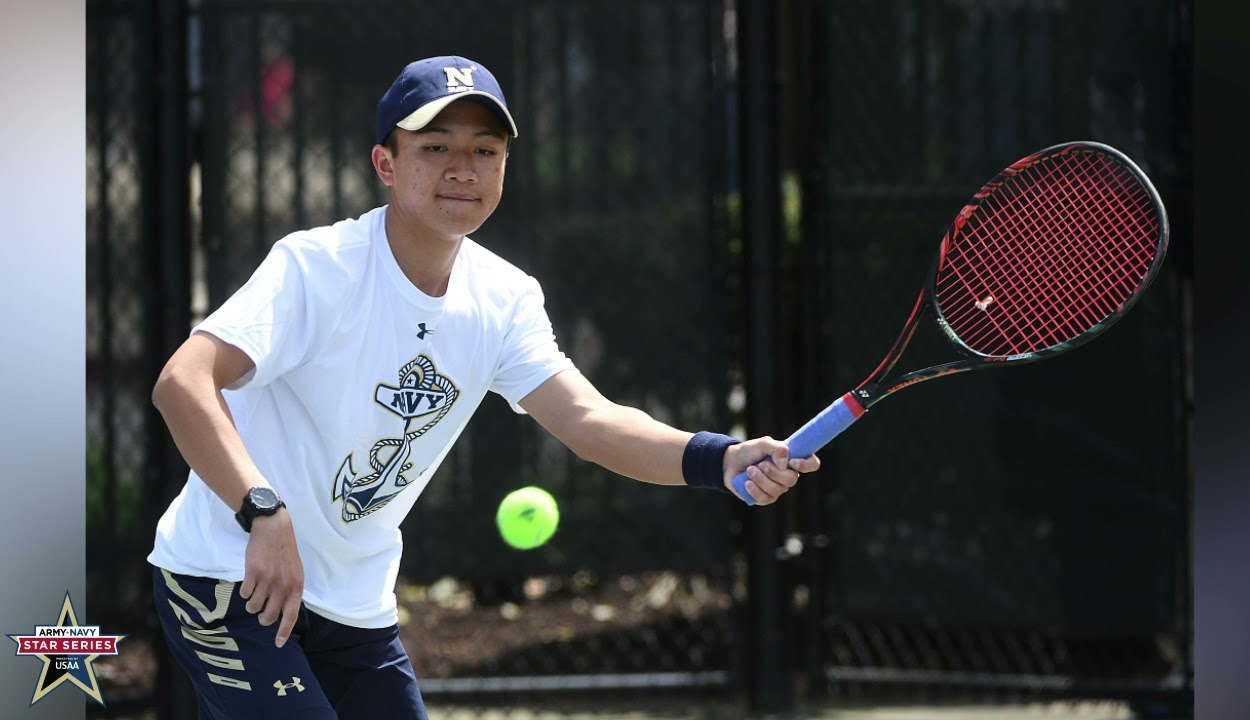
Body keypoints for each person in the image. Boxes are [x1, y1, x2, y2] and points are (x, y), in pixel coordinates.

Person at [147, 55, 820, 720]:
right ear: (386, 163)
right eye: (435, 146)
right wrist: (263, 511)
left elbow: (587, 419)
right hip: (227, 576)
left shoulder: (505, 299)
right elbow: (183, 381)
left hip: (352, 603)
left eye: (485, 150)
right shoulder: (316, 270)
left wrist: (722, 458)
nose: (462, 169)